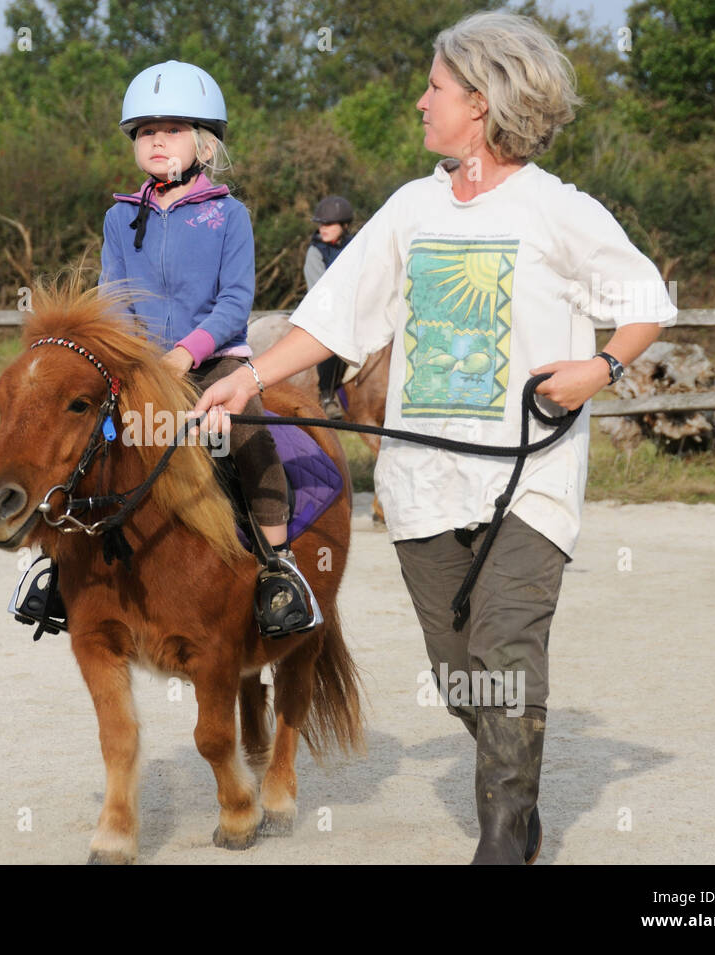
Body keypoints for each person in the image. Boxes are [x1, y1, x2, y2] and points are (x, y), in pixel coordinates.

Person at [192, 10, 676, 863]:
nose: (420, 102)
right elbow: (336, 319)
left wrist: (598, 370)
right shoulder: (411, 209)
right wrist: (248, 376)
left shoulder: (558, 211)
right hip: (419, 481)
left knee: (505, 652)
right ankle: (511, 785)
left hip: (529, 476)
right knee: (461, 675)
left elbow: (645, 301)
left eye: (435, 87)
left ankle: (501, 835)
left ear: (482, 102)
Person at [97, 60, 319, 637]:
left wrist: (186, 354)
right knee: (79, 434)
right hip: (139, 361)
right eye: (146, 131)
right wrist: (130, 358)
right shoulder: (121, 217)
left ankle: (279, 568)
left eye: (170, 130)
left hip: (214, 358)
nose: (156, 141)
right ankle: (60, 566)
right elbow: (111, 295)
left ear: (202, 142)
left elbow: (234, 300)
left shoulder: (229, 215)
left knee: (248, 434)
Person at [304, 195, 355, 418]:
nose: (323, 228)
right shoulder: (315, 252)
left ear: (344, 226)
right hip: (324, 309)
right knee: (331, 342)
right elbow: (319, 291)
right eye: (321, 224)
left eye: (328, 224)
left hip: (355, 306)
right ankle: (327, 395)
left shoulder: (355, 246)